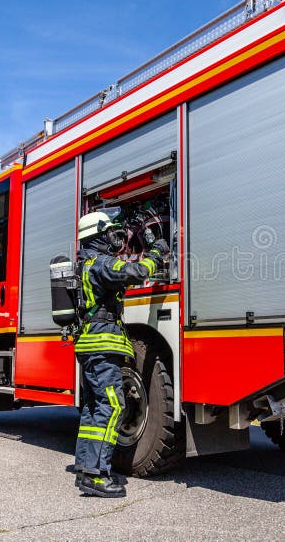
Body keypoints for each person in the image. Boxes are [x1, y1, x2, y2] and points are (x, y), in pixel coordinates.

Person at [73, 211, 169, 498]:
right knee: (112, 406)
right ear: (98, 235)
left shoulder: (84, 265)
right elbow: (136, 272)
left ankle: (86, 468)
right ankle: (96, 476)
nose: (115, 239)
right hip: (103, 347)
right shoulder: (100, 264)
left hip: (90, 347)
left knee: (94, 408)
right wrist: (156, 252)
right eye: (110, 234)